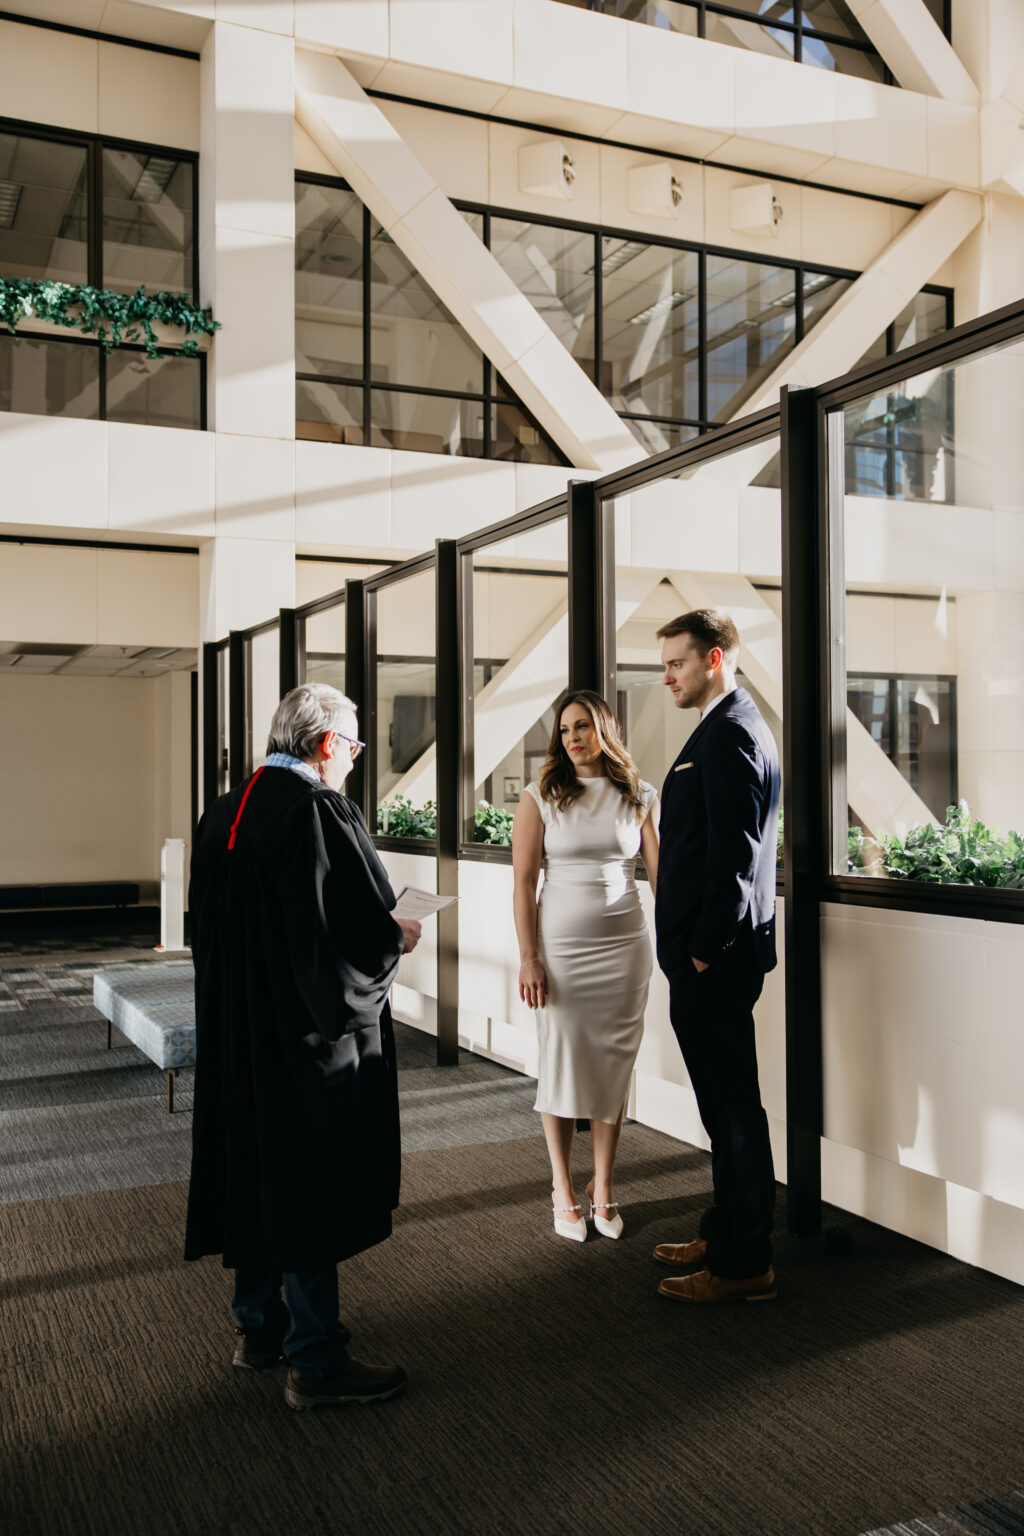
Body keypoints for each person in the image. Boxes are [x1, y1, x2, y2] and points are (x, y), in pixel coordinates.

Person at [185, 683, 422, 1409]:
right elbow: (349, 931)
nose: (352, 761)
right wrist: (399, 935)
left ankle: (259, 1329)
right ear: (326, 745)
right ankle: (315, 1360)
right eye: (352, 747)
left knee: (256, 1164)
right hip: (302, 1039)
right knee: (304, 1178)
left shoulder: (225, 810)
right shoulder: (319, 810)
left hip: (239, 1034)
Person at [652, 609, 781, 1304]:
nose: (667, 675)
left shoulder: (730, 734)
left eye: (677, 662)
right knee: (724, 1108)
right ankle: (727, 1226)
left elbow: (734, 858)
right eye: (666, 662)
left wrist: (700, 952)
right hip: (717, 958)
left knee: (733, 1112)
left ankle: (741, 1265)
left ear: (716, 659)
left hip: (716, 961)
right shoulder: (728, 726)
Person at [512, 689, 660, 1242]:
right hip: (561, 954)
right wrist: (530, 957)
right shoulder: (541, 795)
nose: (573, 738)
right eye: (566, 729)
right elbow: (524, 885)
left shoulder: (639, 794)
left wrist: (676, 937)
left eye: (583, 727)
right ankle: (561, 1189)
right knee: (563, 1062)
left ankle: (602, 1186)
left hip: (625, 949)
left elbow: (659, 874)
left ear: (605, 730)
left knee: (610, 1067)